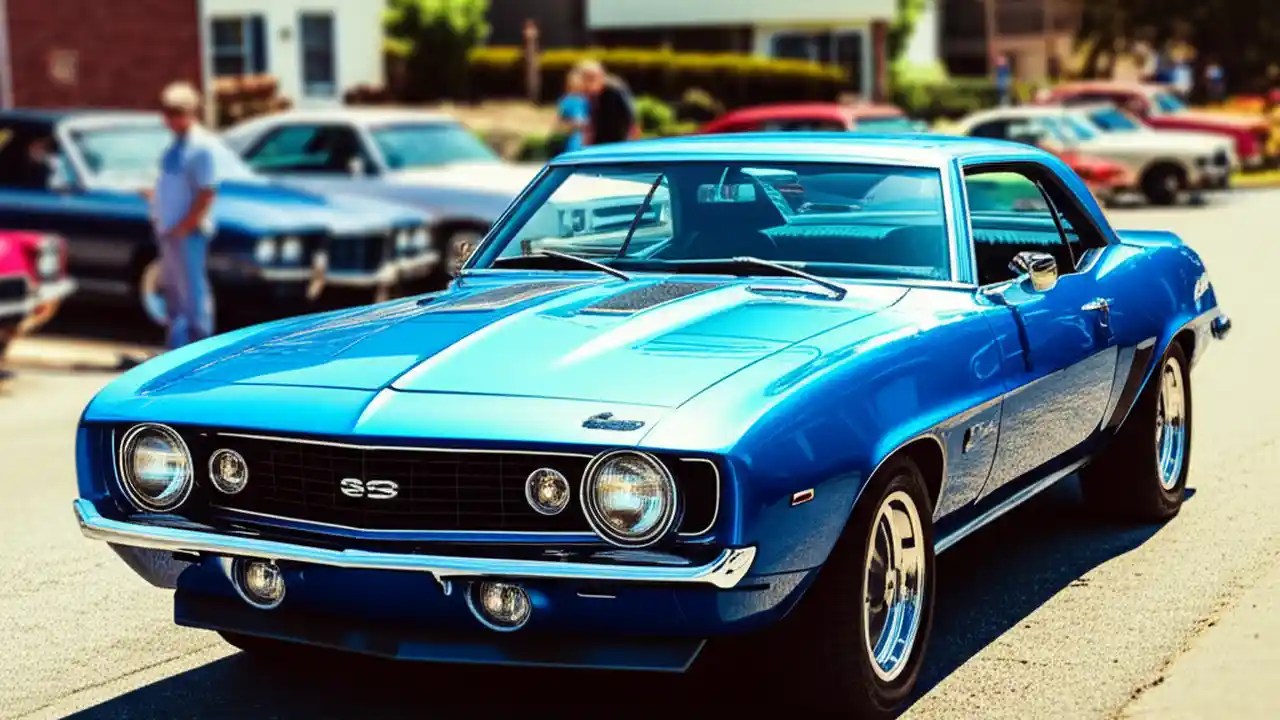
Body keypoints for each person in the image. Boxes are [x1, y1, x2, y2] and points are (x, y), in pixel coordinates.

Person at [149, 82, 219, 349]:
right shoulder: (174, 147)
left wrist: (186, 224)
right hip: (169, 230)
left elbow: (207, 191)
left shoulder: (200, 147)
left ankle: (199, 346)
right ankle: (177, 347)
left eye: (177, 112)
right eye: (168, 112)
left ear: (191, 112)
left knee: (193, 293)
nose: (171, 118)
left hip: (189, 232)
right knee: (174, 294)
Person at [578, 60, 638, 145]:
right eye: (586, 79)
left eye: (591, 78)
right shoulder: (588, 93)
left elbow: (630, 113)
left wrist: (632, 137)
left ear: (600, 75)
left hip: (618, 138)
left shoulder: (615, 88)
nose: (588, 82)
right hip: (598, 140)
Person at [554, 68, 590, 153]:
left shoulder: (585, 100)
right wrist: (571, 124)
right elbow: (559, 122)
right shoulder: (566, 101)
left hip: (586, 138)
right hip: (571, 139)